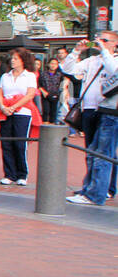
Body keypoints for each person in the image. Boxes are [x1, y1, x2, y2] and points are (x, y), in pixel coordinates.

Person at [62, 35, 118, 202]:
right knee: (92, 151)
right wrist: (76, 51)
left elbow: (113, 69)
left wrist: (105, 50)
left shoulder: (113, 59)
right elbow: (69, 70)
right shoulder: (92, 60)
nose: (100, 42)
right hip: (89, 108)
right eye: (99, 39)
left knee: (104, 152)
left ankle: (105, 188)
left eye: (105, 40)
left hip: (106, 111)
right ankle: (93, 186)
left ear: (115, 43)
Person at [0, 47, 39, 186]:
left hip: (22, 112)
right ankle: (9, 173)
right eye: (11, 58)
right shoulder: (5, 76)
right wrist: (2, 106)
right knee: (6, 143)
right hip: (5, 111)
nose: (12, 61)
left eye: (16, 59)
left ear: (23, 61)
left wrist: (14, 106)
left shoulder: (29, 76)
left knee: (20, 143)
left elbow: (30, 94)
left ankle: (22, 174)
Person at [37, 56, 65, 124]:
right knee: (46, 110)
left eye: (55, 64)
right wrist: (43, 91)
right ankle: (45, 124)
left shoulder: (59, 74)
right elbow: (38, 85)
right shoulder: (43, 74)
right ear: (48, 64)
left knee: (54, 111)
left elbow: (63, 83)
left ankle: (52, 125)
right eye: (52, 63)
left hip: (55, 95)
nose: (53, 65)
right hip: (45, 94)